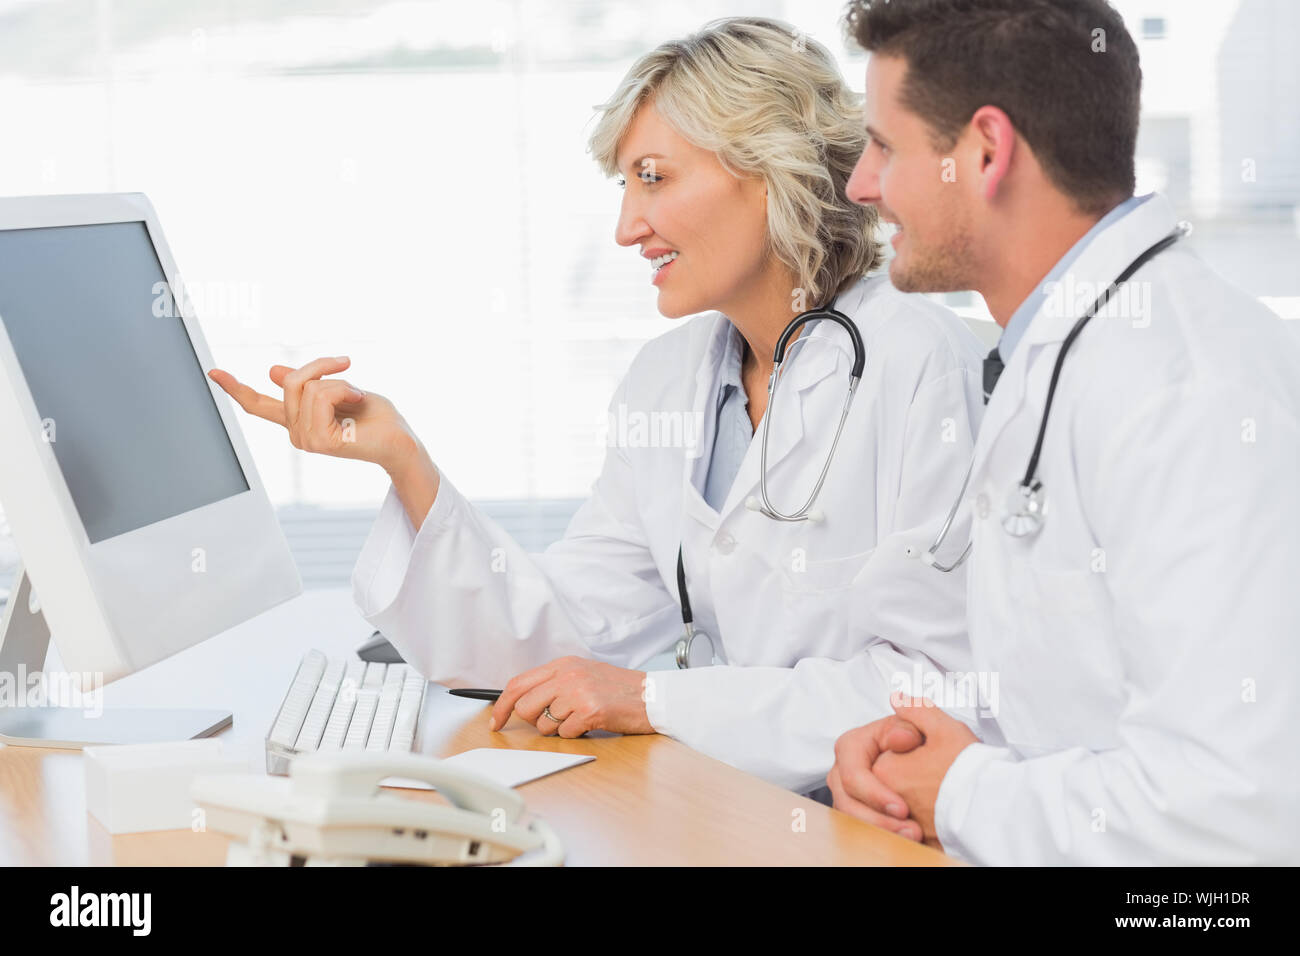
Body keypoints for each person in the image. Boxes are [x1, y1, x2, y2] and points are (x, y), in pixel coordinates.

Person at [210, 16, 984, 816]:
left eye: (653, 178)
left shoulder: (915, 357)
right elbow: (563, 637)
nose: (626, 229)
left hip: (855, 826)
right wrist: (404, 461)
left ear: (769, 170)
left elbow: (929, 688)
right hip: (714, 803)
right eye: (625, 186)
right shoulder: (670, 381)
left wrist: (653, 701)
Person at [828, 0, 1300, 864]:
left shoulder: (1191, 390)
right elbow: (1084, 701)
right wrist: (930, 757)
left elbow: (1238, 815)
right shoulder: (1061, 350)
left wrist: (966, 791)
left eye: (885, 147)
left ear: (985, 151)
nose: (862, 184)